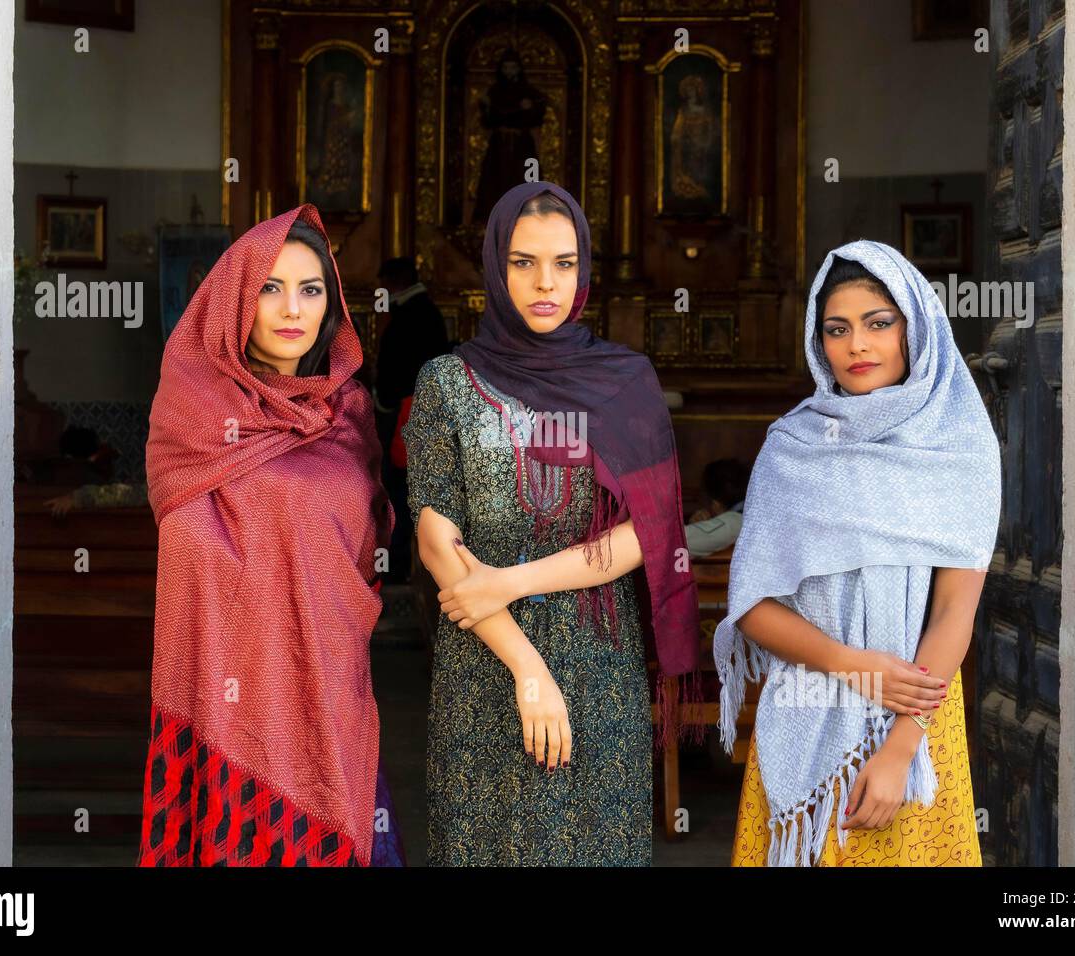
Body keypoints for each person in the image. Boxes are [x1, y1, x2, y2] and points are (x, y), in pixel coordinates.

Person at [403, 181, 703, 866]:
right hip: (484, 662)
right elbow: (433, 537)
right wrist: (527, 668)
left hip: (598, 661)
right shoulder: (446, 381)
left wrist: (507, 582)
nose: (546, 283)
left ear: (585, 269)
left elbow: (647, 533)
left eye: (564, 263)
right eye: (523, 262)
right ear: (493, 268)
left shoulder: (625, 381)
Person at [714, 240, 1001, 866]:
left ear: (914, 328)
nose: (857, 347)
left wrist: (900, 750)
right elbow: (752, 608)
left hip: (914, 720)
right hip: (809, 699)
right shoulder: (791, 449)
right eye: (836, 330)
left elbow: (956, 610)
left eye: (878, 324)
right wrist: (851, 665)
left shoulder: (959, 449)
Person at [137, 204, 404, 867]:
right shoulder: (192, 414)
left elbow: (370, 546)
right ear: (236, 299)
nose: (293, 308)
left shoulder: (346, 412)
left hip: (329, 700)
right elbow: (190, 553)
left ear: (331, 305)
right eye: (271, 287)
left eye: (311, 289)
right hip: (228, 715)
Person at [373, 256, 449, 581]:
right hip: (424, 417)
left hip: (406, 419)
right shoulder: (427, 311)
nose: (381, 292)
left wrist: (382, 403)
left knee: (400, 496)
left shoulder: (408, 315)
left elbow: (394, 373)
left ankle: (399, 568)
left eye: (384, 284)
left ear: (395, 281)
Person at [683, 457, 750, 558]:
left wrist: (701, 527)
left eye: (703, 501)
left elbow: (675, 542)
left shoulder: (736, 521)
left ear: (715, 504)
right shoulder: (747, 516)